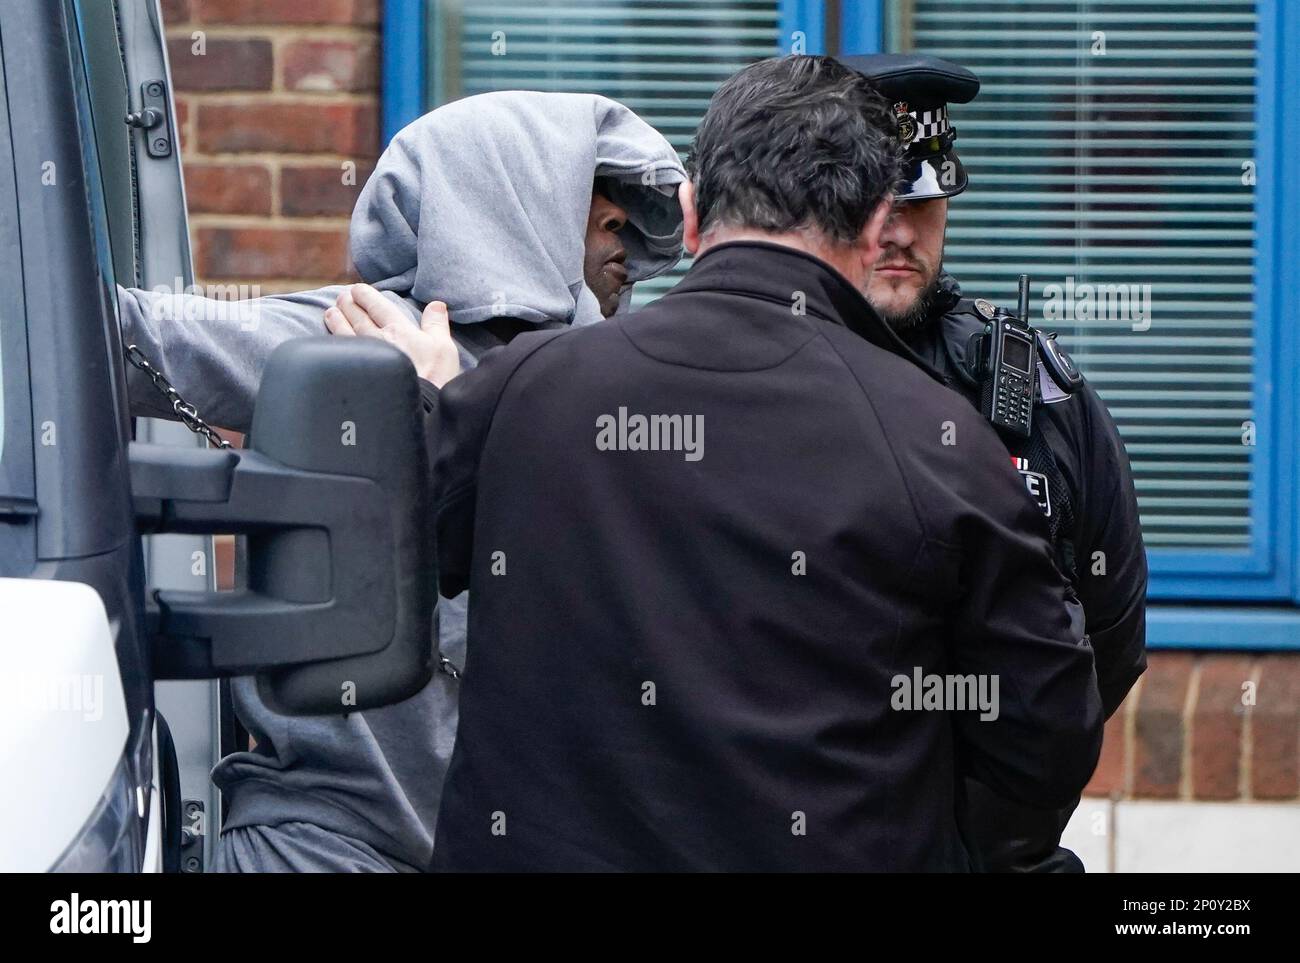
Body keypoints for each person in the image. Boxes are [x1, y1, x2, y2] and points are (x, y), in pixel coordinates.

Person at [335, 54, 1104, 871]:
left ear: (693, 214)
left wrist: (428, 404)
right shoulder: (944, 445)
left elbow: (389, 567)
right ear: (879, 223)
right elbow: (1045, 731)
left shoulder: (521, 395)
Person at [116, 90, 686, 871]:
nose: (626, 251)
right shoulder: (356, 337)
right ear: (514, 205)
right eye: (606, 222)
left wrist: (457, 409)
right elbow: (133, 337)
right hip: (321, 841)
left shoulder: (619, 392)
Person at [837, 53, 1148, 872]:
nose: (899, 229)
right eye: (873, 202)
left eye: (922, 201)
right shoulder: (752, 375)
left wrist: (990, 824)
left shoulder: (1039, 393)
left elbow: (1105, 640)